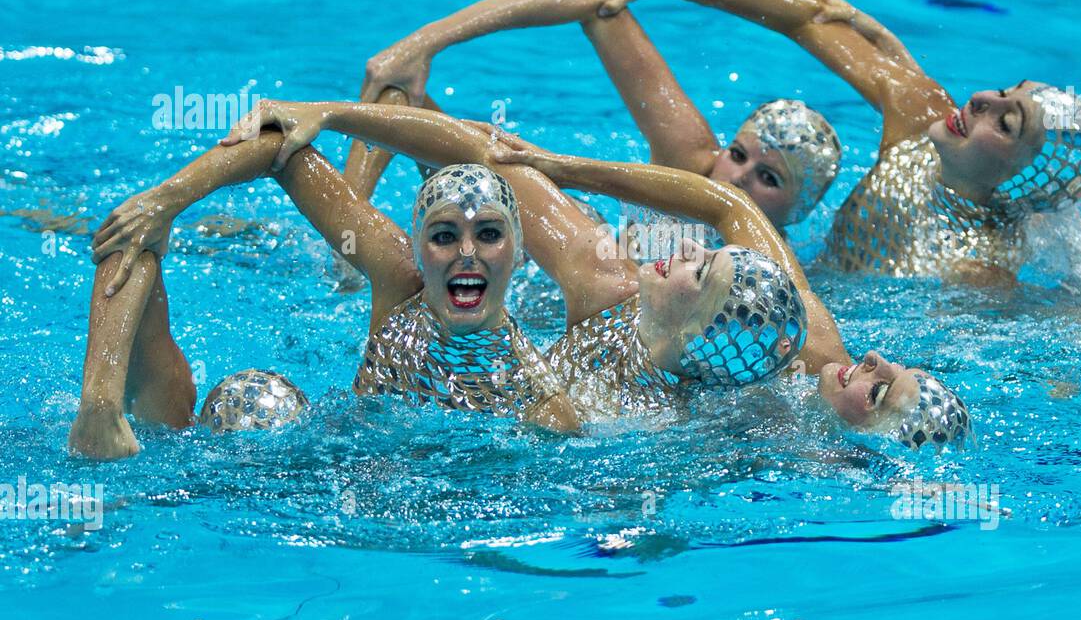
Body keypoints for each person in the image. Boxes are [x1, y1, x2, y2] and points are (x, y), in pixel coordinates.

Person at [355, 0, 1081, 281]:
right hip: (540, 270)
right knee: (407, 114)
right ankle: (350, 249)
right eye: (1006, 91)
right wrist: (424, 44)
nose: (983, 101)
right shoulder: (920, 116)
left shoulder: (985, 271)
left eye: (1009, 124)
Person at [219, 100, 811, 423]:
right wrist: (328, 114)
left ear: (696, 333)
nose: (684, 245)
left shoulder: (647, 425)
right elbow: (487, 152)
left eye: (701, 269)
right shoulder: (608, 282)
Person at [70, 112, 579, 460]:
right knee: (246, 400)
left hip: (362, 519)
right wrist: (168, 200)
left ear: (517, 251)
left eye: (488, 234)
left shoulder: (542, 408)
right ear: (420, 248)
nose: (467, 253)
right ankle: (100, 412)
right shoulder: (399, 279)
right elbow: (277, 148)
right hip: (310, 458)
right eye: (445, 236)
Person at [481, 134, 971, 449]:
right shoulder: (809, 337)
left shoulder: (786, 462)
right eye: (899, 367)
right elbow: (728, 204)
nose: (874, 357)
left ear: (874, 441)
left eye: (881, 390)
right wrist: (562, 167)